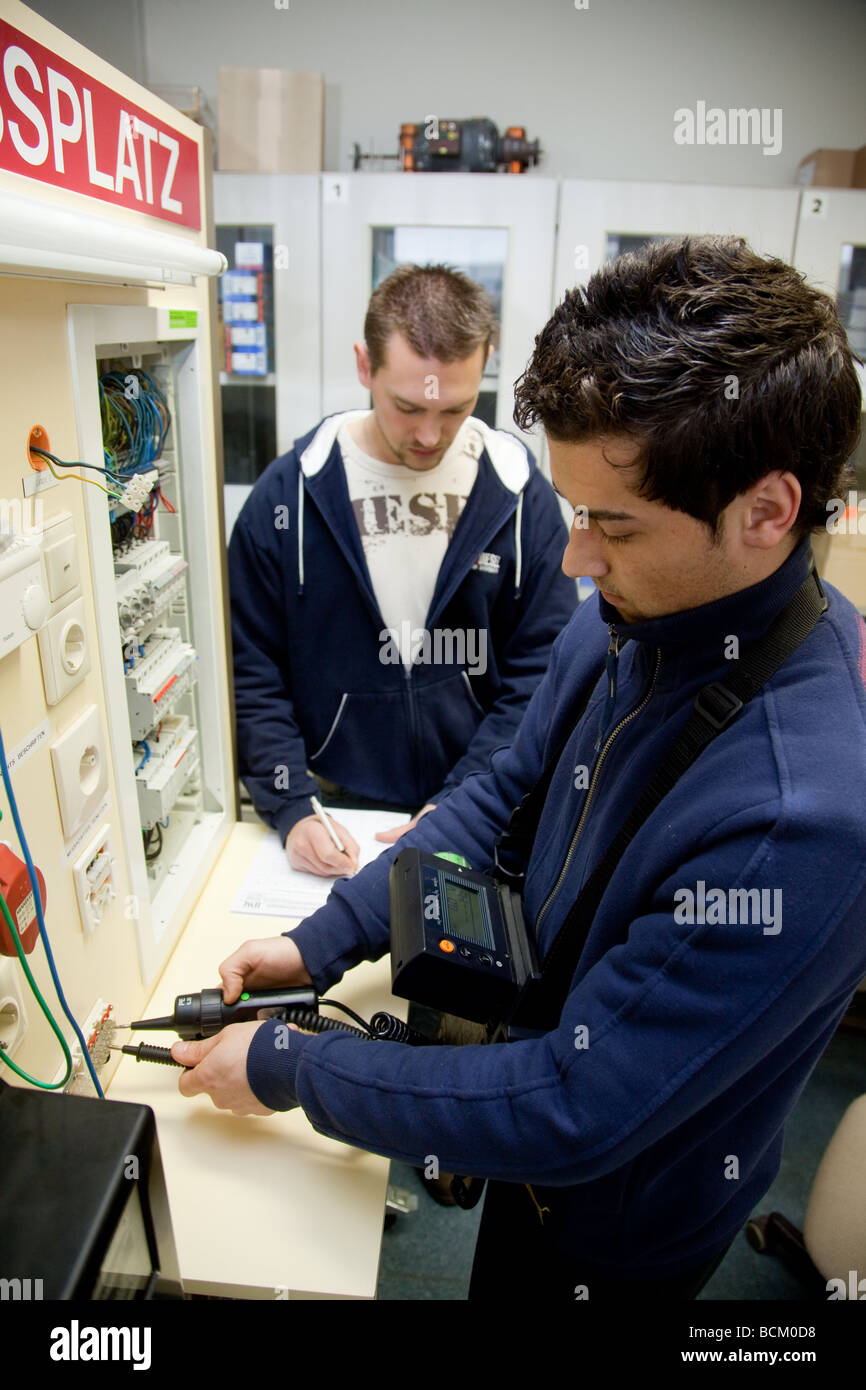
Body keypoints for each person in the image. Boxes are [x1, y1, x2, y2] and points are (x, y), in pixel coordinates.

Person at [176, 235, 866, 1300]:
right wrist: (322, 941)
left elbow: (578, 1103)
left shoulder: (806, 814)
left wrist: (290, 1064)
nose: (576, 558)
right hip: (527, 1114)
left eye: (611, 525)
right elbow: (497, 794)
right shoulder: (634, 609)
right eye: (575, 512)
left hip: (616, 1213)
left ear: (766, 512)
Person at [228, 263, 577, 875]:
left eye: (457, 408)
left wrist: (463, 801)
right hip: (334, 812)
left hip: (479, 808)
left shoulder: (518, 494)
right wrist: (291, 807)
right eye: (408, 406)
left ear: (486, 365)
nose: (429, 435)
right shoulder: (288, 497)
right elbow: (253, 669)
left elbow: (541, 672)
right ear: (365, 365)